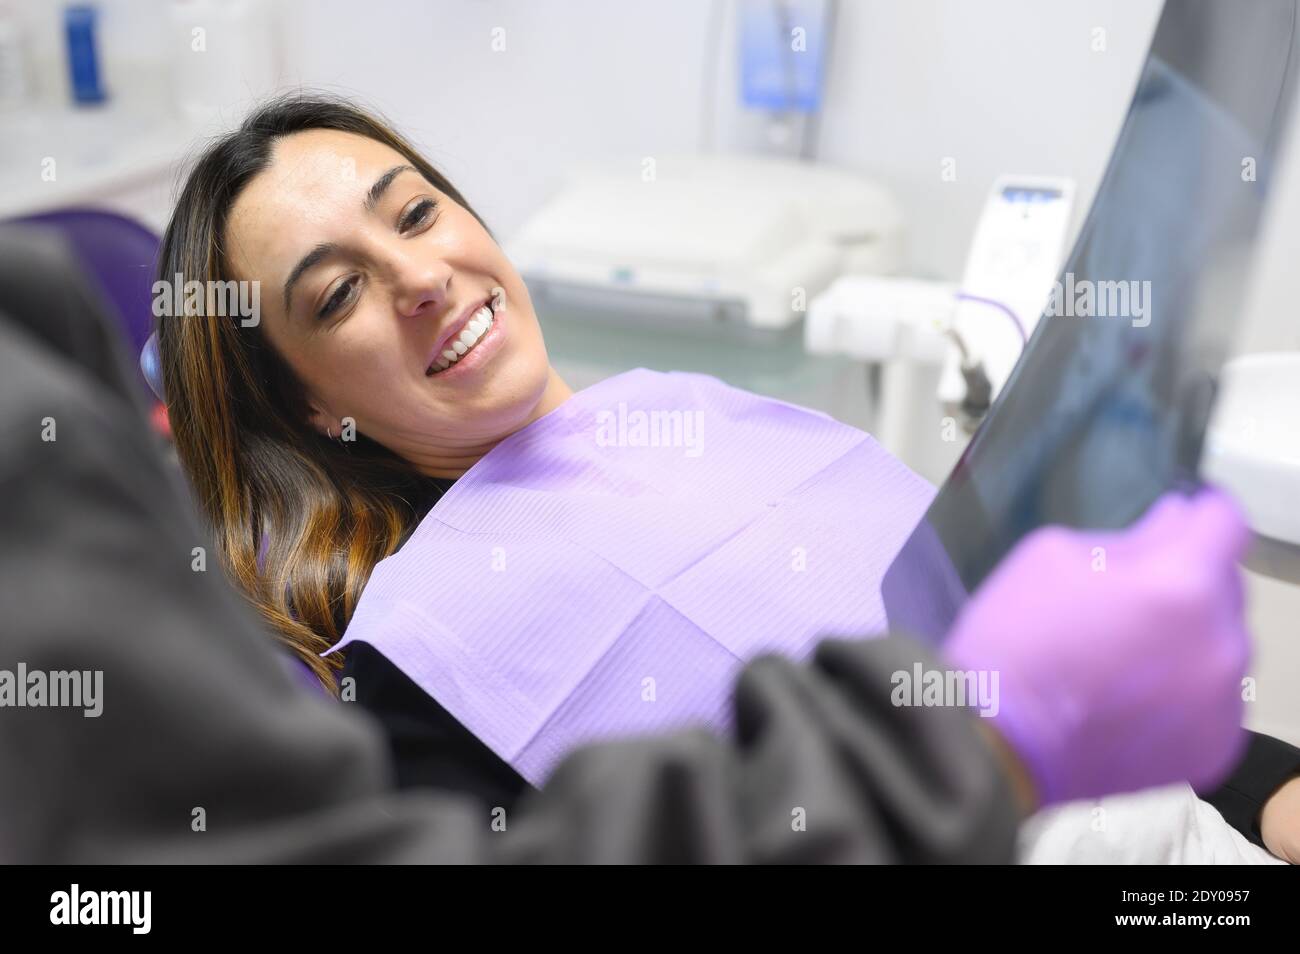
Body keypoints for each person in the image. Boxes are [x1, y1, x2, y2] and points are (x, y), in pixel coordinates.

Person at [0, 225, 1268, 863]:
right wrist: (993, 749)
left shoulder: (699, 413)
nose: (421, 274)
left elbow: (1032, 632)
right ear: (311, 407)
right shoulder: (413, 663)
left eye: (420, 210)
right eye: (335, 294)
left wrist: (1262, 787)